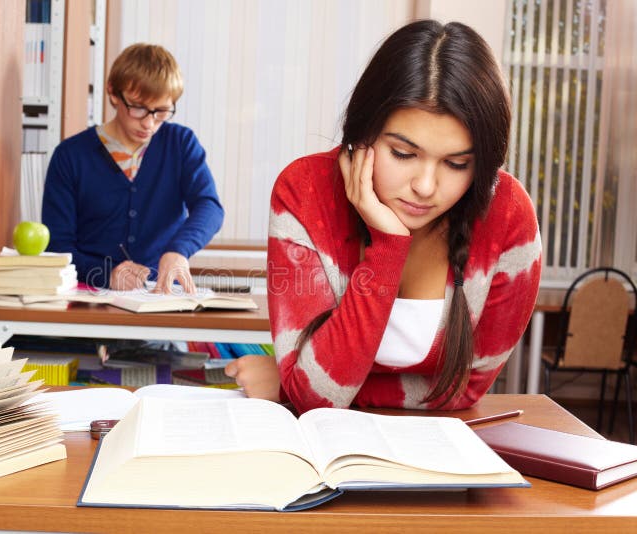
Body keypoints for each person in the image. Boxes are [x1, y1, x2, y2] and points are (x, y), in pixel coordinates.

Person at [225, 20, 542, 413]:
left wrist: (292, 382)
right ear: (363, 134)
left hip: (435, 456)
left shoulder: (509, 216)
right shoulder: (305, 192)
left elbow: (463, 391)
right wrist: (388, 248)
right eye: (403, 154)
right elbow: (314, 400)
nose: (426, 186)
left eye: (457, 163)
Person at [42, 43, 224, 293]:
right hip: (89, 296)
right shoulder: (70, 155)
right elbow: (58, 245)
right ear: (113, 94)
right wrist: (107, 275)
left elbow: (209, 206)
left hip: (159, 294)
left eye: (161, 111)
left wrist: (179, 250)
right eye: (138, 108)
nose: (149, 123)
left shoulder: (180, 144)